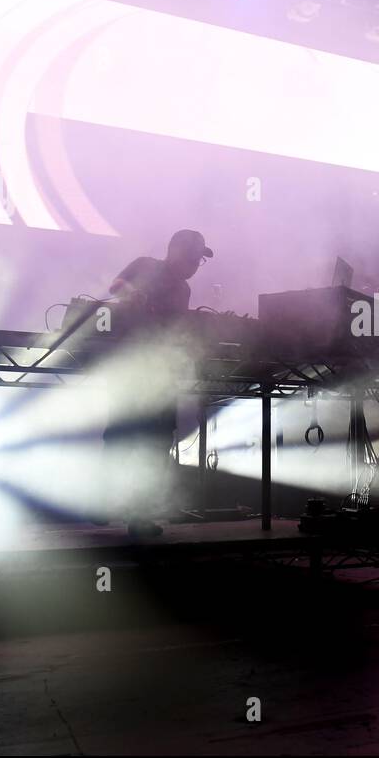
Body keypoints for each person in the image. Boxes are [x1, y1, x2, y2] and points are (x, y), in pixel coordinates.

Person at [102, 229, 213, 537]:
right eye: (193, 257)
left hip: (162, 372)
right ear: (175, 251)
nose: (195, 265)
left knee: (157, 443)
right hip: (131, 364)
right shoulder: (145, 265)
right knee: (122, 434)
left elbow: (176, 329)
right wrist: (130, 293)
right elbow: (115, 286)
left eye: (198, 260)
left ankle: (140, 515)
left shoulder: (184, 290)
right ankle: (104, 499)